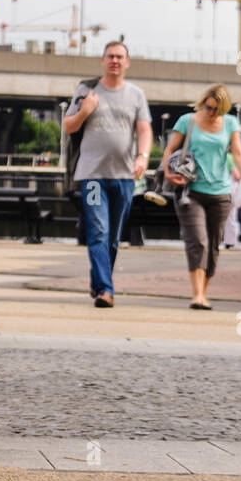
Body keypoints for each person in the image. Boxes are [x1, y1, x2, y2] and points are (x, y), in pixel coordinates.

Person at [63, 41, 153, 308]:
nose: (115, 60)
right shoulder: (86, 90)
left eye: (119, 57)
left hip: (125, 177)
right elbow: (68, 126)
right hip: (92, 176)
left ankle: (98, 280)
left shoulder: (136, 95)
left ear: (127, 62)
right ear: (103, 60)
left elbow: (144, 130)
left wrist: (143, 156)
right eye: (110, 56)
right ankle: (105, 290)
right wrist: (84, 111)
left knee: (113, 237)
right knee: (98, 231)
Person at [163, 84, 241, 309]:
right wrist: (167, 171)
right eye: (209, 107)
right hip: (191, 191)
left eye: (217, 110)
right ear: (203, 103)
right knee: (198, 241)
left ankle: (204, 293)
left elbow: (238, 152)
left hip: (220, 193)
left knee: (213, 244)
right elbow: (170, 149)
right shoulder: (187, 121)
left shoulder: (230, 123)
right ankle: (197, 295)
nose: (212, 112)